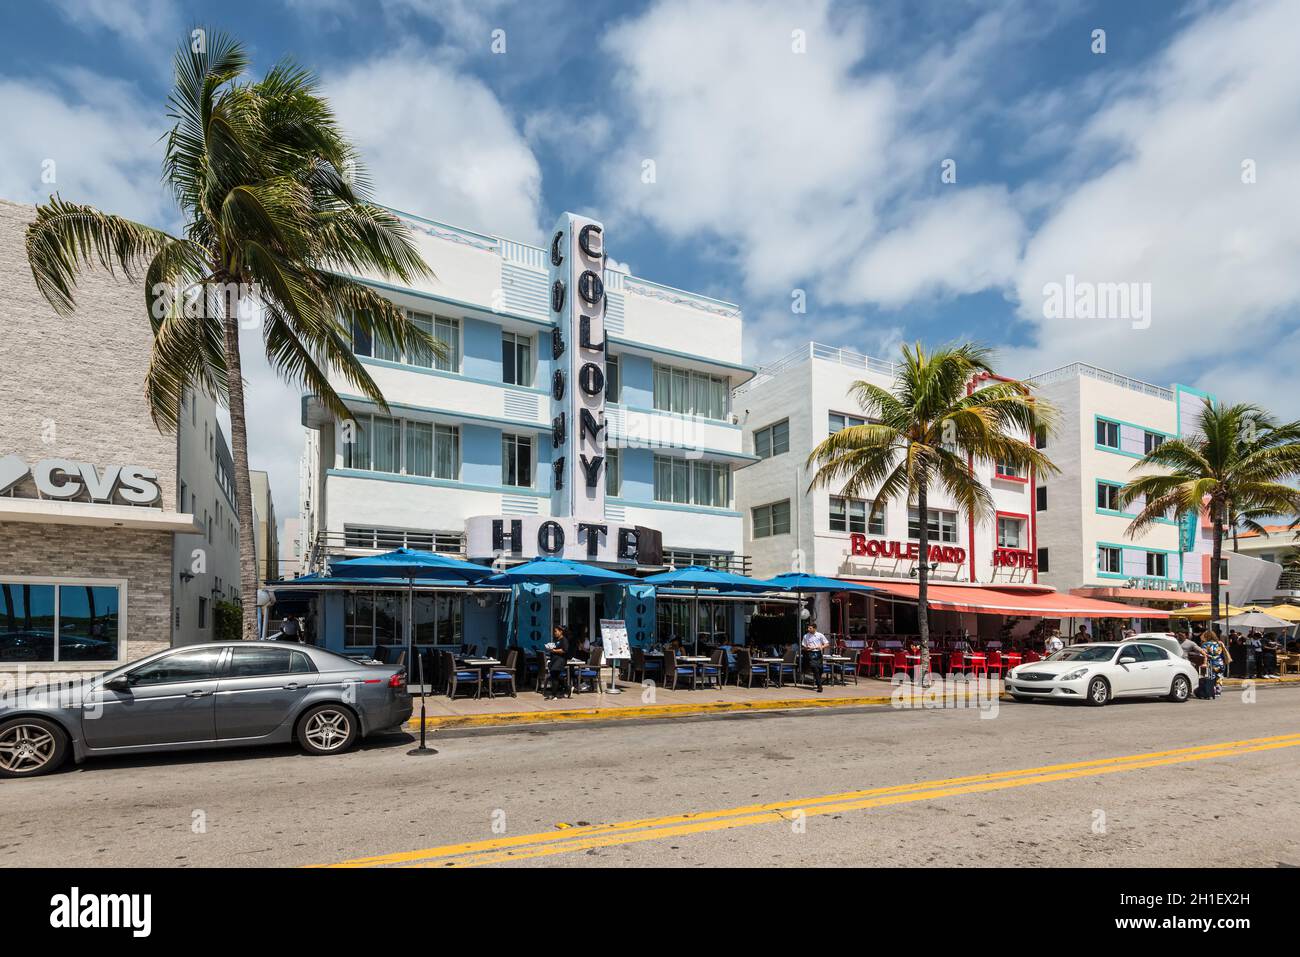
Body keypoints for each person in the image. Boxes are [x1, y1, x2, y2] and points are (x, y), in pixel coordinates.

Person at [543, 625, 571, 700]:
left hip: (560, 660)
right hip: (554, 660)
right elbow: (554, 647)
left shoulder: (564, 640)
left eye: (556, 631)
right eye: (554, 631)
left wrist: (554, 650)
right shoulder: (556, 639)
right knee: (555, 676)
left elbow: (564, 650)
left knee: (554, 675)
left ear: (561, 632)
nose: (554, 633)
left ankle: (554, 694)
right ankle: (567, 688)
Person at [801, 621, 829, 692]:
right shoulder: (806, 636)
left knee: (820, 669)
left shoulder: (820, 635)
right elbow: (803, 646)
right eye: (808, 628)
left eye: (810, 628)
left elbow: (827, 643)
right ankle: (820, 686)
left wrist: (822, 647)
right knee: (815, 669)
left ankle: (818, 681)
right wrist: (807, 648)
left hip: (818, 653)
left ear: (814, 628)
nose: (808, 629)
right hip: (810, 654)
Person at [1200, 628, 1230, 696]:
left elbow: (1203, 654)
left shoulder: (1205, 644)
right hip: (1220, 663)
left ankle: (1212, 692)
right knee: (1219, 677)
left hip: (1211, 663)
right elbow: (1223, 653)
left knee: (1211, 678)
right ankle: (1218, 692)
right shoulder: (1219, 643)